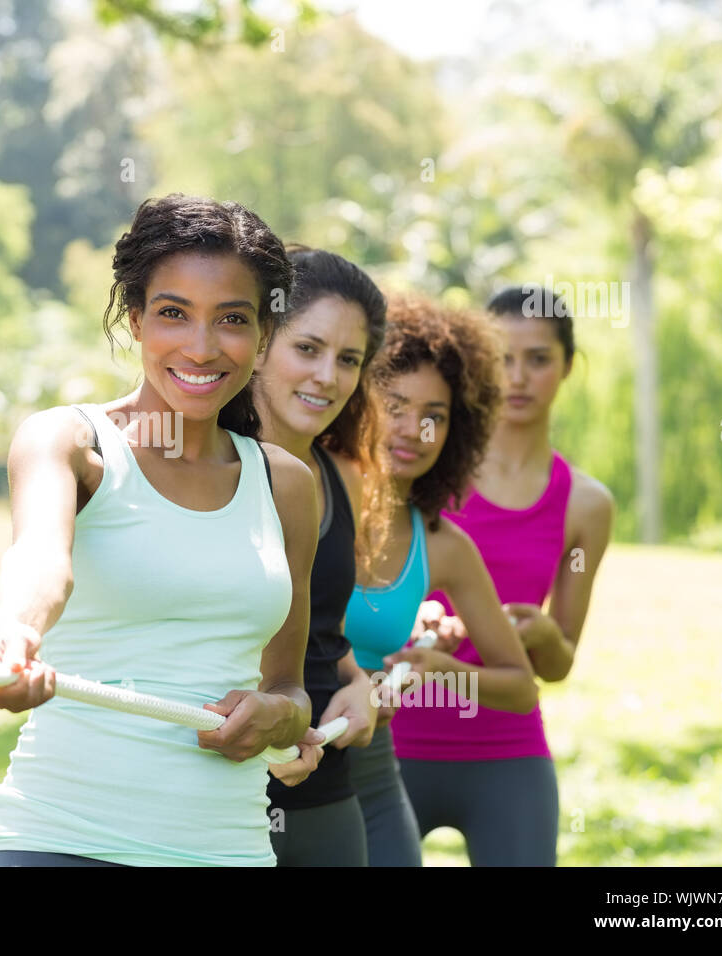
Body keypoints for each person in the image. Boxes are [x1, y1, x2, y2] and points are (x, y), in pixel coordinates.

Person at [0, 194, 320, 867]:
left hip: (228, 850)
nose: (200, 346)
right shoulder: (70, 441)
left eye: (231, 319)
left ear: (261, 336)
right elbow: (41, 558)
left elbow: (289, 686)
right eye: (173, 314)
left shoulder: (286, 485)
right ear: (135, 320)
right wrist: (17, 632)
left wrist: (280, 717)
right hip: (58, 839)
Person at [391, 285, 615, 866]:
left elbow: (560, 665)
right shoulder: (421, 467)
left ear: (568, 366)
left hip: (509, 751)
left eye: (538, 359)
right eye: (502, 358)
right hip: (392, 742)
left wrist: (542, 634)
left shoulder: (586, 504)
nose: (518, 376)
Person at [342, 293, 539, 866]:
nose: (414, 430)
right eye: (395, 404)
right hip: (278, 776)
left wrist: (443, 670)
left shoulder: (444, 545)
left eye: (436, 416)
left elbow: (520, 686)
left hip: (374, 779)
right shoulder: (304, 497)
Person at [251, 247, 389, 866]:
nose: (328, 376)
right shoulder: (196, 470)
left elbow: (326, 635)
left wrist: (362, 687)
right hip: (214, 791)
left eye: (348, 360)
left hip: (329, 794)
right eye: (307, 348)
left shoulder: (344, 479)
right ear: (258, 341)